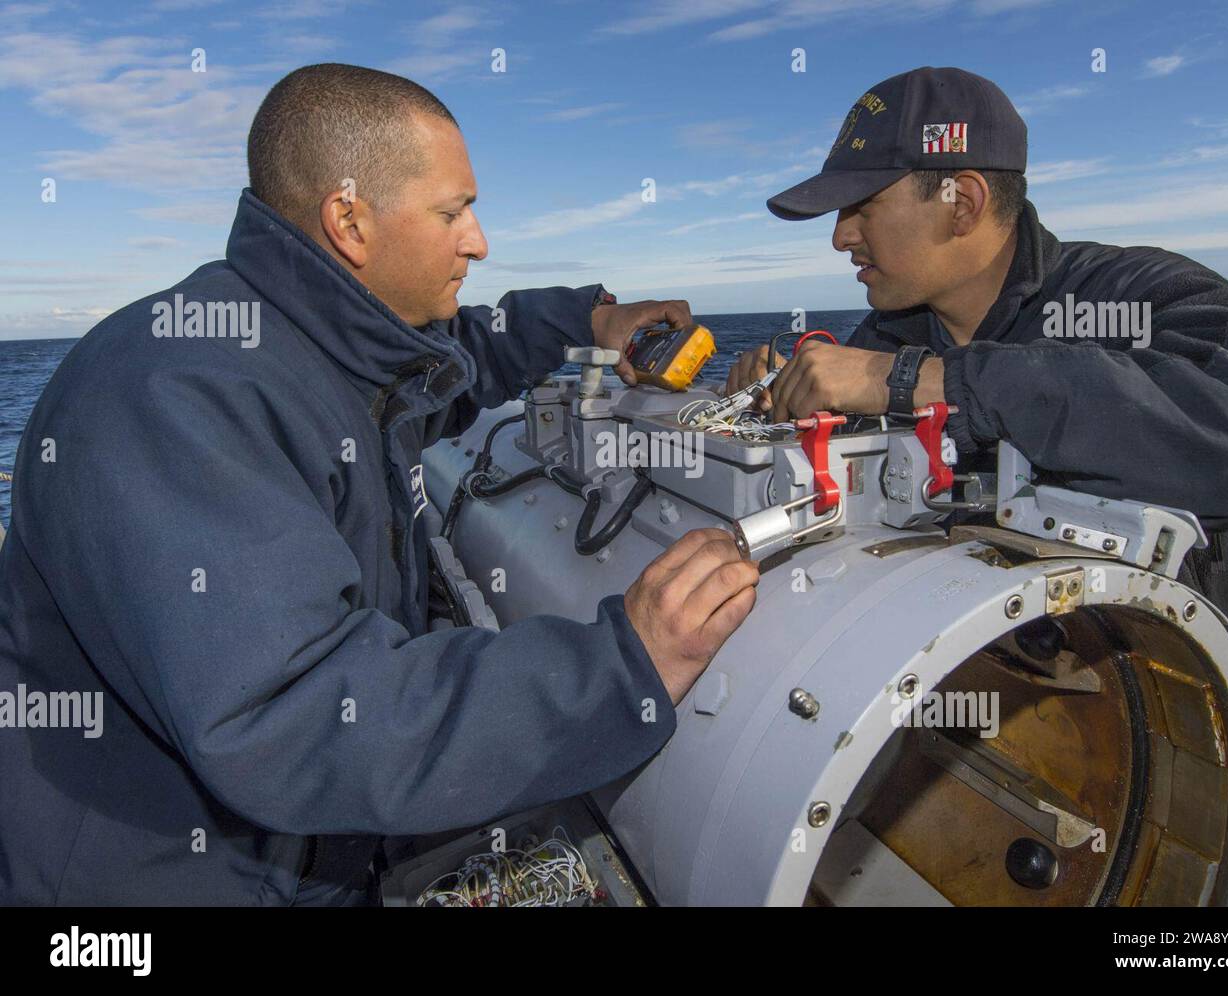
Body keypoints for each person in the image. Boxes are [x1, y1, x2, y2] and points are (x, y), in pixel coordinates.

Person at [0, 63, 758, 905]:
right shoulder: (177, 395)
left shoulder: (318, 351)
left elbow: (452, 368)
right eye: (452, 212)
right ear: (351, 222)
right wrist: (621, 668)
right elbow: (298, 718)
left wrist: (586, 320)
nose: (478, 240)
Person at [727, 66, 1228, 614]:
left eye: (864, 207)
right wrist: (781, 394)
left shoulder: (1147, 294)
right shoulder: (887, 331)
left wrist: (925, 382)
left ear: (962, 203)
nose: (840, 237)